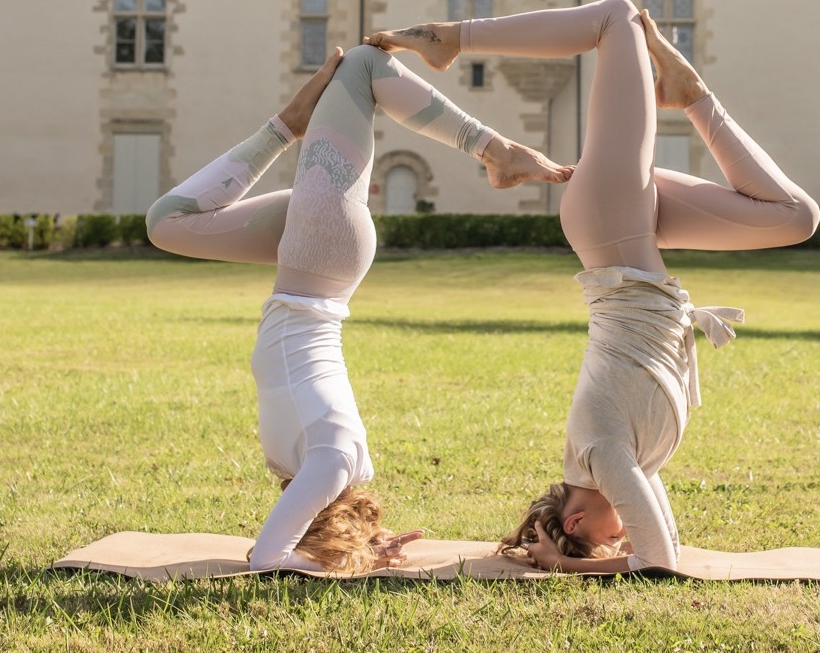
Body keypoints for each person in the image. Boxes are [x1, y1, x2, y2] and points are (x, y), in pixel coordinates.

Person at [367, 0, 820, 574]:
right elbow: (667, 550)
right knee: (793, 217)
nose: (623, 533)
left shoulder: (601, 456)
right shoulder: (628, 462)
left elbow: (654, 564)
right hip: (632, 233)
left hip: (614, 231)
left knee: (617, 17)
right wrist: (575, 551)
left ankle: (453, 37)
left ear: (576, 522)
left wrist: (567, 564)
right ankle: (691, 96)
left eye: (610, 536)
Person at [147, 44, 569, 573]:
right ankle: (496, 150)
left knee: (166, 225)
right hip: (319, 259)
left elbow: (272, 554)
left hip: (308, 256)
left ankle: (287, 127)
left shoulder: (317, 465)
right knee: (363, 66)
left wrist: (348, 549)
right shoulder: (332, 462)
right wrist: (343, 552)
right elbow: (269, 556)